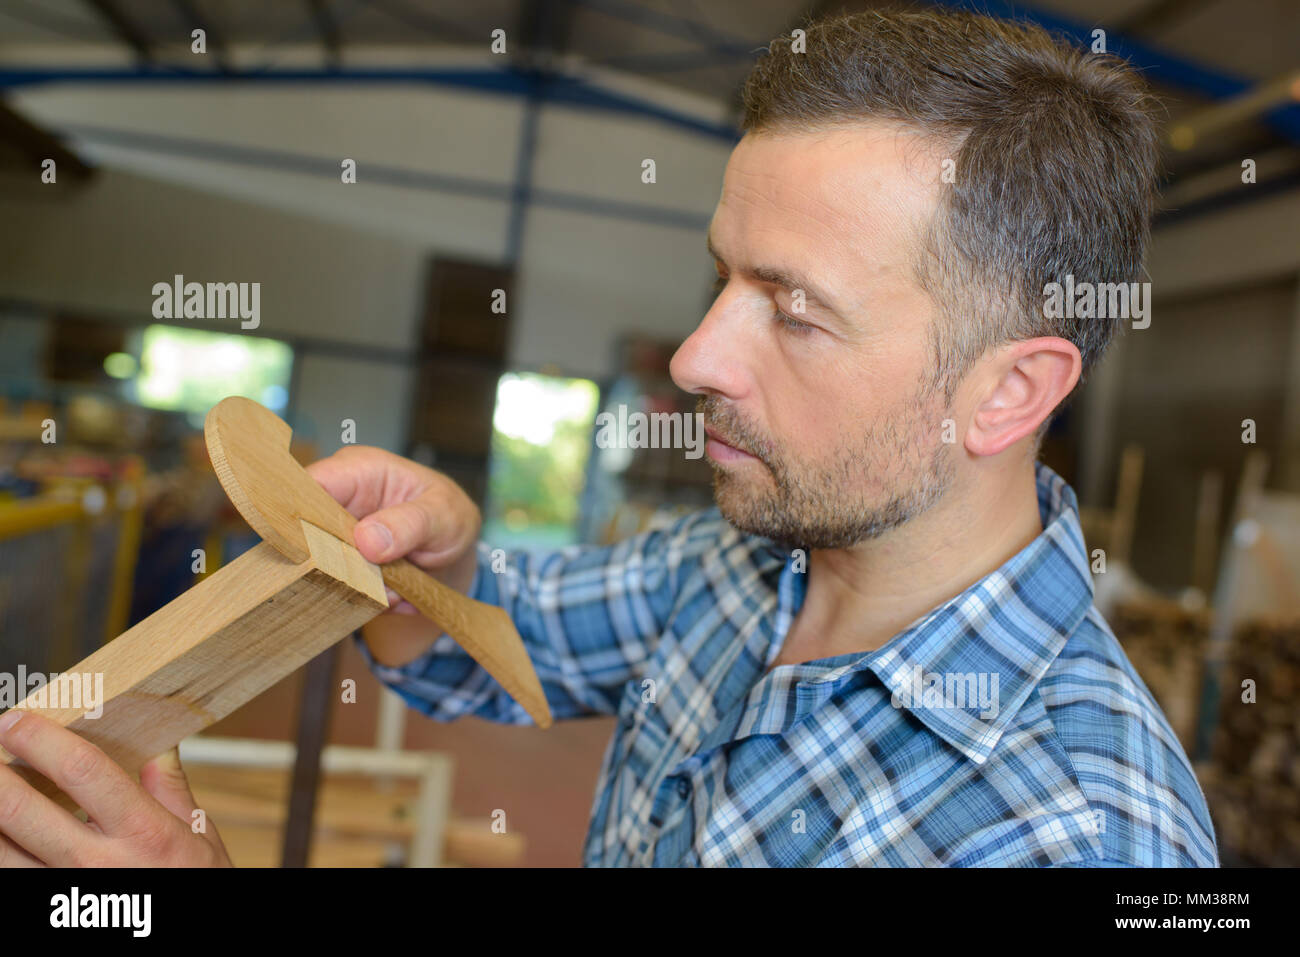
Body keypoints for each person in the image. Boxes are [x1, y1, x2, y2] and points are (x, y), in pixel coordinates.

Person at [0, 9, 1217, 867]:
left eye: (793, 309)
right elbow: (508, 635)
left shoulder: (1067, 831)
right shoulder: (742, 565)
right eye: (724, 277)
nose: (695, 358)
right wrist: (447, 556)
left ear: (1007, 394)